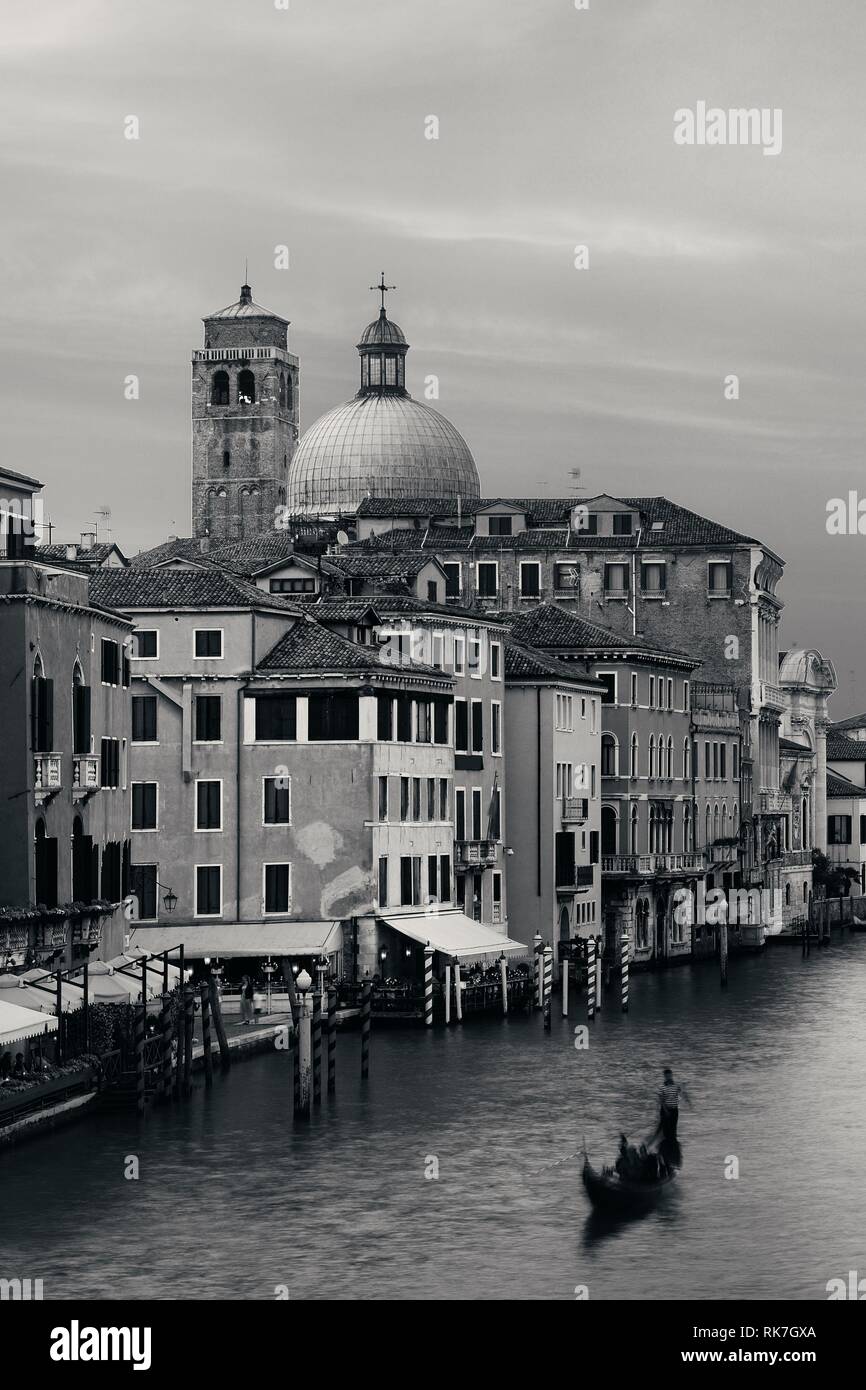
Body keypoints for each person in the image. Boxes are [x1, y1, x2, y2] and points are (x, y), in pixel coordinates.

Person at [657, 1067, 690, 1142]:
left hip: (674, 1109)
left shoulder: (676, 1085)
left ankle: (673, 1142)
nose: (668, 1077)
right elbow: (661, 1101)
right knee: (666, 1129)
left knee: (673, 1128)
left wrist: (686, 1099)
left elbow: (681, 1094)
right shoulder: (662, 1087)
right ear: (664, 1076)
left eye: (670, 1075)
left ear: (672, 1075)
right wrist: (666, 1111)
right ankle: (666, 1143)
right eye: (667, 1076)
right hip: (665, 1110)